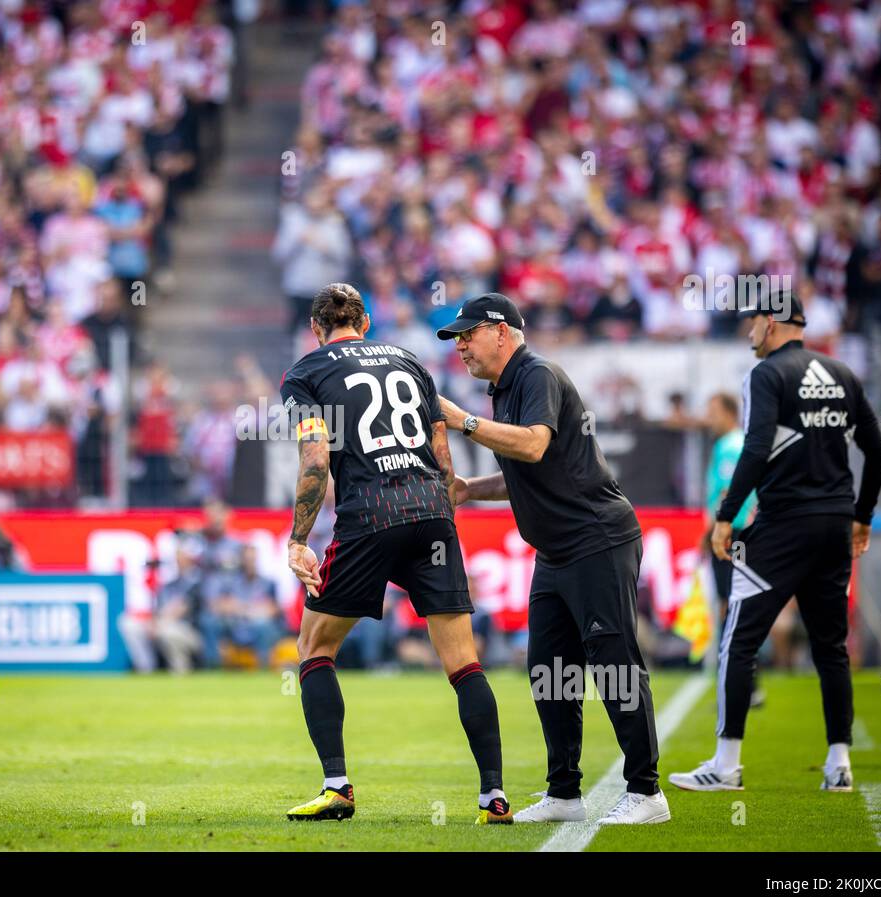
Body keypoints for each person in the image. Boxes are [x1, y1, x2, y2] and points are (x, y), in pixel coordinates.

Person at [280, 282, 512, 825]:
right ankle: (495, 797)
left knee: (314, 647)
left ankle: (336, 787)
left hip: (370, 513)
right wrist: (441, 513)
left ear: (316, 328)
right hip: (432, 509)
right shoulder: (410, 361)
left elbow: (315, 462)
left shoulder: (306, 373)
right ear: (365, 323)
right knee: (464, 660)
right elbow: (442, 452)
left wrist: (298, 540)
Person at [438, 292, 669, 825]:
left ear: (501, 332)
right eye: (457, 339)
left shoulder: (536, 373)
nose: (461, 347)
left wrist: (462, 421)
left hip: (596, 540)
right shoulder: (506, 389)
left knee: (615, 666)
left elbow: (534, 445)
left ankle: (647, 791)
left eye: (468, 334)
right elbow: (526, 470)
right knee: (549, 669)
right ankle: (564, 793)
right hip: (557, 552)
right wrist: (470, 489)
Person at [670, 290, 881, 793]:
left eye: (752, 323)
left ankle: (726, 766)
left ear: (770, 323)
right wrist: (862, 517)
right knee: (831, 647)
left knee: (739, 642)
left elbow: (756, 448)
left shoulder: (766, 375)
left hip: (784, 526)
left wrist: (725, 517)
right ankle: (839, 765)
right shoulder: (843, 374)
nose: (749, 332)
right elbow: (877, 452)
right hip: (835, 525)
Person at [701, 392, 765, 708]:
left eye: (713, 412)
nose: (709, 419)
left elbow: (728, 492)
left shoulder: (729, 446)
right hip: (739, 534)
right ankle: (747, 684)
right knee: (738, 602)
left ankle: (739, 685)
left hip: (731, 535)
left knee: (732, 604)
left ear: (728, 413)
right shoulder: (739, 443)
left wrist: (712, 528)